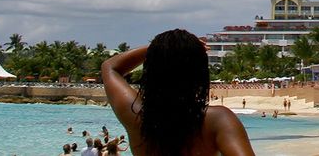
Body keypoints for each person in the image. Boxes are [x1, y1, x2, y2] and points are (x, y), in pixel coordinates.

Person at [101, 28, 255, 155]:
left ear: (151, 72)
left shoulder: (136, 115)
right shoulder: (217, 120)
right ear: (199, 73)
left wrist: (159, 49)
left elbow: (110, 67)